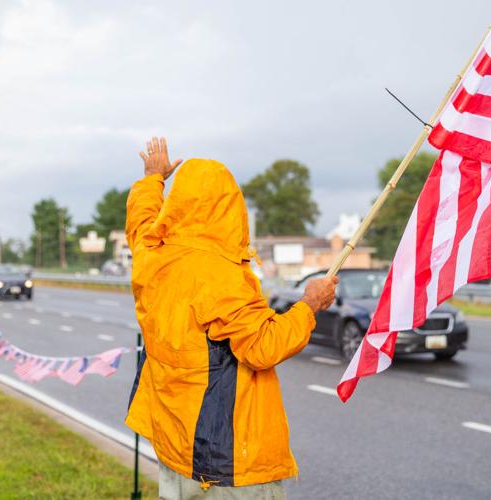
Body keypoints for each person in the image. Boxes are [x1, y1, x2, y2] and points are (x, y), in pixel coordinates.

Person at [124, 136, 339, 499]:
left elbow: (140, 224)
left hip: (175, 444)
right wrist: (309, 305)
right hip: (227, 461)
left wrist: (152, 179)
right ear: (228, 207)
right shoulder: (218, 275)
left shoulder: (153, 254)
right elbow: (262, 347)